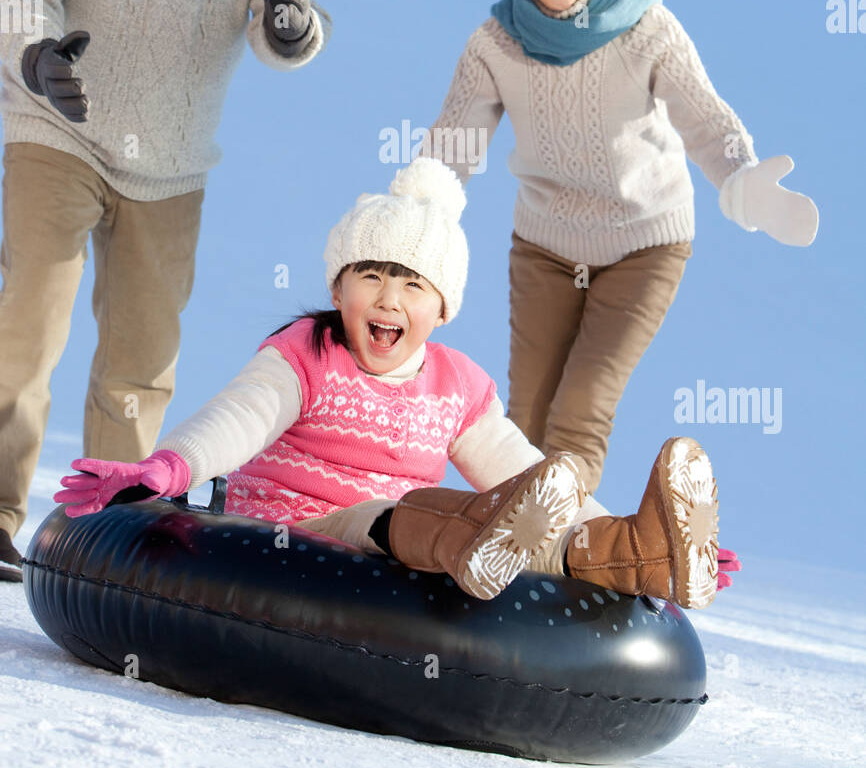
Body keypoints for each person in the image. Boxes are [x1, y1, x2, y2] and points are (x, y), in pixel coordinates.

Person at [54, 157, 740, 607]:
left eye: (412, 285)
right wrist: (170, 468)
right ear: (339, 286)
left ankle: (641, 552)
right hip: (294, 538)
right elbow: (243, 414)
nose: (388, 300)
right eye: (372, 276)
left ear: (440, 309)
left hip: (401, 546)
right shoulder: (308, 351)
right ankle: (478, 543)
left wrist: (610, 520)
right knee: (400, 513)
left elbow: (532, 476)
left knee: (523, 516)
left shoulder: (456, 385)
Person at [0, 0, 331, 580]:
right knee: (29, 321)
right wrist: (36, 55)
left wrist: (293, 22)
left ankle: (98, 536)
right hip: (57, 122)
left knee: (140, 362)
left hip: (175, 156)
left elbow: (283, 33)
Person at [427, 0, 818, 492]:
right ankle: (513, 551)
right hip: (544, 248)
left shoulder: (646, 27)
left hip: (644, 245)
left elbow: (705, 121)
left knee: (580, 410)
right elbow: (453, 145)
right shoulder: (497, 43)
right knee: (524, 420)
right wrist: (422, 210)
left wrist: (742, 179)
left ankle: (553, 539)